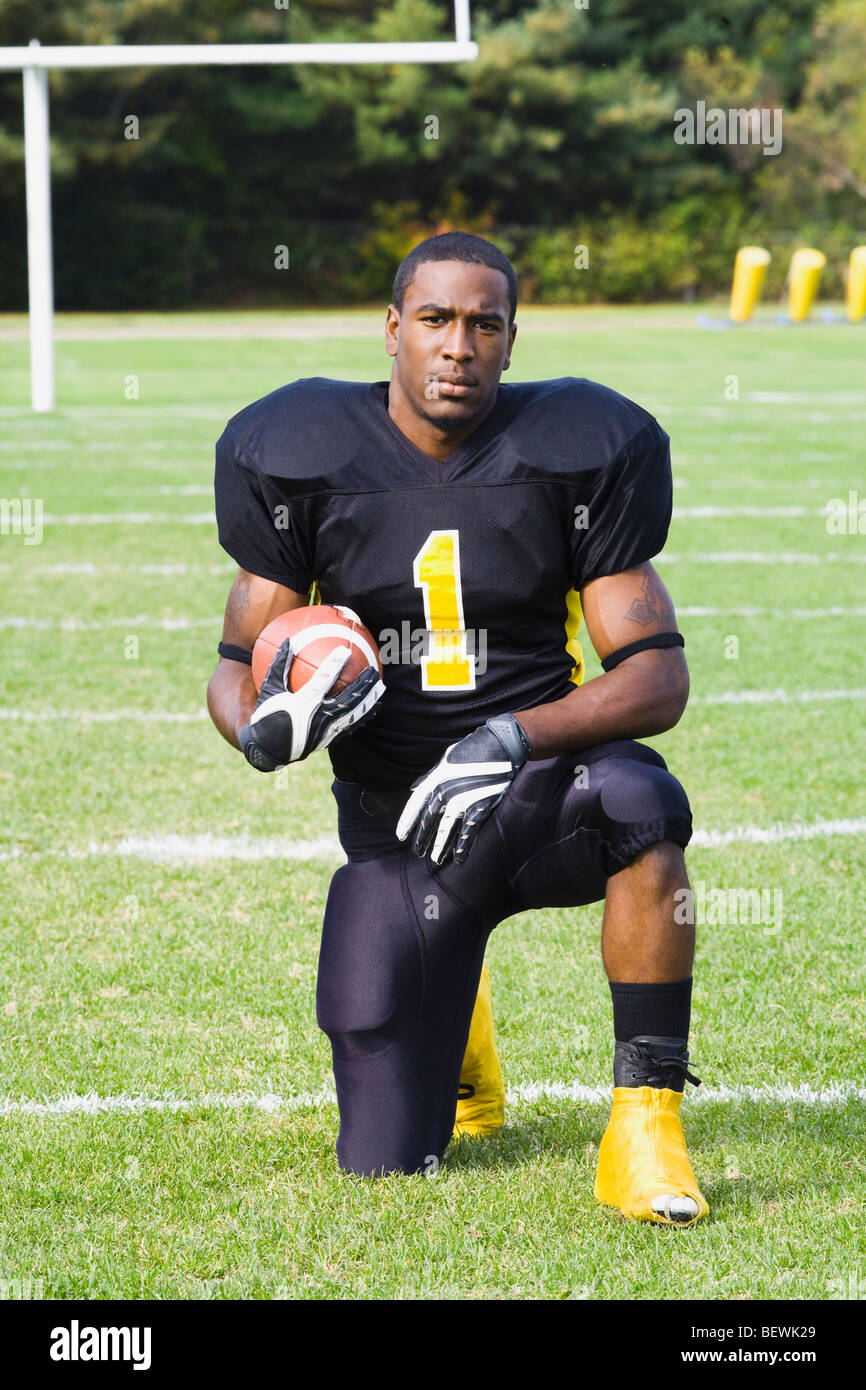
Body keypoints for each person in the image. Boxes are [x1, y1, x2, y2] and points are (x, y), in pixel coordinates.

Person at [207, 231, 708, 1225]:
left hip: (538, 793)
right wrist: (265, 734)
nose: (457, 346)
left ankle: (645, 1125)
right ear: (392, 328)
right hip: (402, 831)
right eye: (434, 320)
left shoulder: (578, 446)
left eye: (484, 324)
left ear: (512, 340)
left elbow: (655, 675)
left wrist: (509, 738)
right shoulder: (301, 450)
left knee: (645, 802)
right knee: (384, 1163)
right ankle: (458, 1042)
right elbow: (234, 668)